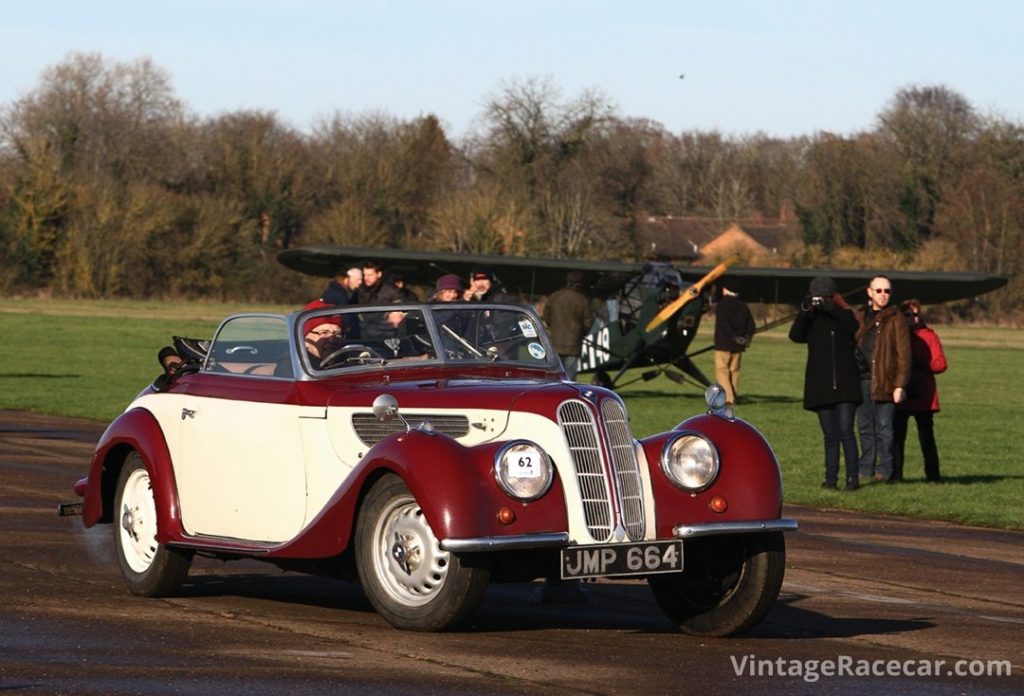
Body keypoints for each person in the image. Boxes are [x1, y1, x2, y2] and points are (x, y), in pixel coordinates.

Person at [789, 277, 863, 490]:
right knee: (829, 435)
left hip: (846, 385)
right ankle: (830, 479)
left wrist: (833, 309)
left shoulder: (844, 315)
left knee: (846, 432)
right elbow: (795, 335)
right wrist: (806, 312)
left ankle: (852, 478)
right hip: (821, 386)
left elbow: (852, 326)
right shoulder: (812, 319)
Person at [855, 275, 911, 483]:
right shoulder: (860, 316)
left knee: (885, 428)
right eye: (879, 291)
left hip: (886, 381)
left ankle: (885, 471)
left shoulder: (896, 318)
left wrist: (900, 384)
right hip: (862, 380)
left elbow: (904, 354)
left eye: (887, 291)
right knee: (864, 427)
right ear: (870, 292)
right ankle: (865, 469)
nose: (883, 295)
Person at [892, 299, 947, 483]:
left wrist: (924, 364)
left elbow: (941, 363)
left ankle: (933, 476)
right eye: (908, 315)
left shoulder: (929, 336)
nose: (913, 319)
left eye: (916, 315)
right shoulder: (896, 335)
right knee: (897, 437)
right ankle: (896, 475)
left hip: (924, 394)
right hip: (903, 391)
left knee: (927, 438)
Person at [542, 270, 593, 380]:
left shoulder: (554, 297)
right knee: (569, 378)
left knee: (554, 375)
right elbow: (588, 323)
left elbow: (546, 315)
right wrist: (581, 334)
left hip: (555, 342)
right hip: (574, 344)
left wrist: (553, 327)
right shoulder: (583, 300)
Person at [713, 286, 755, 405]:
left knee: (722, 370)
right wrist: (745, 337)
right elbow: (751, 325)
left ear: (726, 290)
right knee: (734, 371)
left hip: (723, 343)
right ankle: (734, 394)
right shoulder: (742, 305)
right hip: (738, 345)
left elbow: (724, 325)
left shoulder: (722, 305)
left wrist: (731, 336)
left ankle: (728, 398)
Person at [354, 260, 404, 339]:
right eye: (365, 275)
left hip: (386, 334)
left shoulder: (392, 291)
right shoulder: (360, 290)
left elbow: (397, 314)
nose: (366, 278)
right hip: (363, 333)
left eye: (370, 275)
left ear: (379, 274)